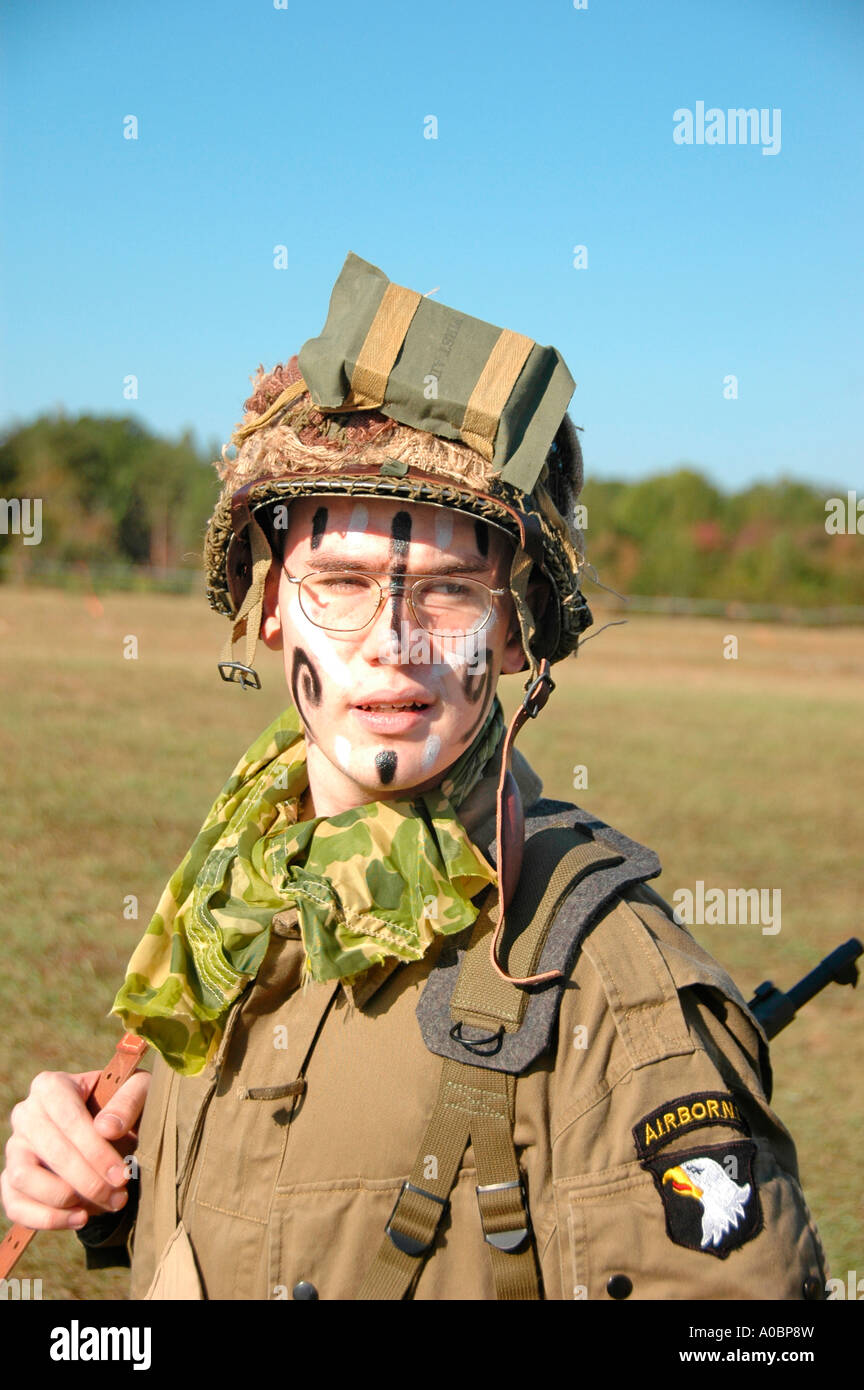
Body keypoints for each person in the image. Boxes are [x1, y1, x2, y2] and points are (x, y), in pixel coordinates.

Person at [1, 253, 829, 1300]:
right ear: (268, 608)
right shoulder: (241, 891)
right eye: (338, 582)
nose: (392, 643)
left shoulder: (602, 985)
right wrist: (113, 1174)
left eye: (447, 593)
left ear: (515, 632)